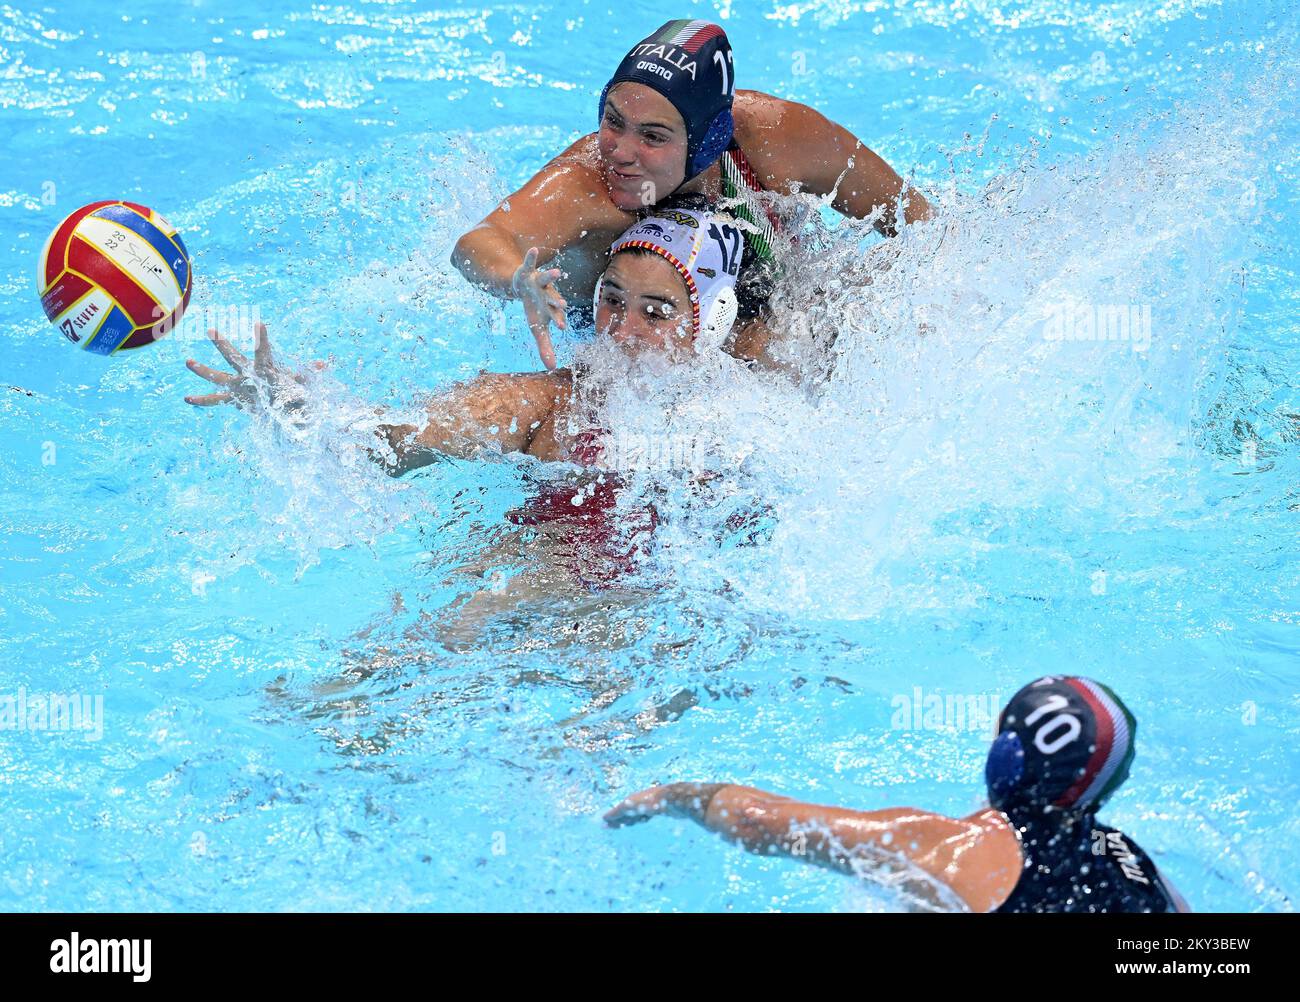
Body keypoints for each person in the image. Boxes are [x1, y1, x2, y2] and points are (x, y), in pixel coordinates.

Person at [184, 206, 745, 587]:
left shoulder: (753, 419)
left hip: (655, 624)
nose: (622, 331)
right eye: (613, 300)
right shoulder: (548, 404)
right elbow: (391, 442)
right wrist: (291, 404)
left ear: (711, 323)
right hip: (527, 587)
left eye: (656, 313)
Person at [451, 18, 932, 370]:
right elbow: (481, 241)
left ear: (708, 142)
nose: (620, 151)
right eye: (613, 120)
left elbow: (920, 223)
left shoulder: (779, 137)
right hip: (639, 355)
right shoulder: (585, 184)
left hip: (779, 317)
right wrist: (517, 278)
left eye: (653, 136)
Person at [605, 675, 1192, 913]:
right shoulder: (1132, 863)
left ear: (1006, 758)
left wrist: (670, 794)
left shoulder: (953, 849)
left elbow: (762, 821)